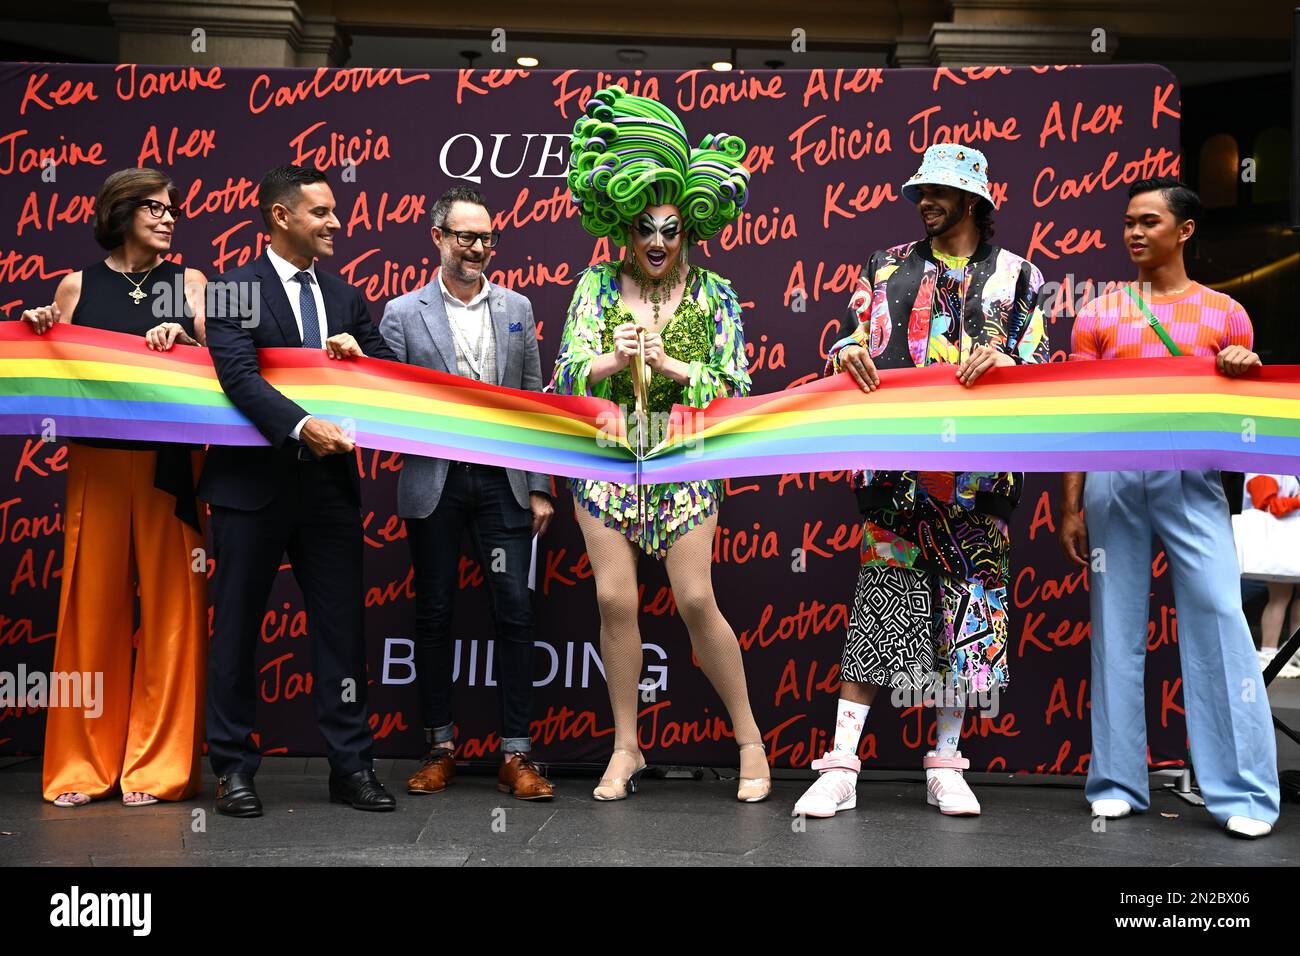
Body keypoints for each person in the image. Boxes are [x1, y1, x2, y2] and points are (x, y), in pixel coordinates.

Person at [793, 143, 1050, 819]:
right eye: (919, 192)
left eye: (936, 191)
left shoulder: (1021, 275)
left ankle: (946, 762)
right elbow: (852, 341)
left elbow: (1045, 362)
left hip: (980, 477)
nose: (922, 201)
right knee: (882, 605)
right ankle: (843, 765)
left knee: (971, 615)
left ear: (974, 199)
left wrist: (1009, 357)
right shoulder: (885, 267)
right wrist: (844, 349)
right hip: (895, 473)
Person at [551, 87, 770, 802]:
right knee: (615, 603)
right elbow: (563, 374)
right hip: (607, 463)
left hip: (684, 460)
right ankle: (626, 747)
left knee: (696, 599)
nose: (656, 240)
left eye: (670, 229)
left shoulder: (717, 295)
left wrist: (676, 368)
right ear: (622, 224)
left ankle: (750, 743)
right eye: (644, 227)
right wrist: (612, 362)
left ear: (690, 230)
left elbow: (736, 384)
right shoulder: (594, 287)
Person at [1059, 177, 1280, 838]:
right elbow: (1078, 417)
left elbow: (1246, 417)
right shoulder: (1098, 313)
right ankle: (1117, 782)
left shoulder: (1226, 314)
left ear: (1184, 230)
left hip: (1194, 478)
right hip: (1115, 478)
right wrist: (1071, 505)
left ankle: (1241, 793)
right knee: (1116, 630)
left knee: (1218, 617)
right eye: (1128, 221)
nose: (1132, 232)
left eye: (1148, 222)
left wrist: (1249, 367)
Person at [199, 164, 398, 817]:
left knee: (341, 634)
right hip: (248, 488)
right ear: (282, 216)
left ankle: (352, 767)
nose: (336, 223)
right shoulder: (232, 289)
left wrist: (360, 362)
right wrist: (302, 426)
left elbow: (386, 384)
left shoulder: (346, 297)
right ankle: (232, 769)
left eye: (335, 212)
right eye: (322, 213)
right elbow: (236, 376)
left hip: (329, 493)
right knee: (235, 632)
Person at [21, 167, 209, 809]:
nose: (168, 218)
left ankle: (157, 770)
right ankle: (80, 765)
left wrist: (183, 339)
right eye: (154, 208)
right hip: (96, 464)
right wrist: (40, 327)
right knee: (89, 609)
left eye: (172, 209)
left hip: (169, 465)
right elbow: (56, 376)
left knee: (173, 614)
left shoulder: (190, 284)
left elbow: (221, 369)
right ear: (120, 212)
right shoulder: (75, 285)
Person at [379, 186, 556, 800]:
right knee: (433, 614)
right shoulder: (402, 314)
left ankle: (516, 753)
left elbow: (533, 400)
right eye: (466, 237)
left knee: (515, 612)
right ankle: (439, 747)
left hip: (503, 482)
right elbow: (389, 401)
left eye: (487, 238)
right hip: (435, 483)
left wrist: (541, 489)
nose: (479, 247)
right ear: (438, 238)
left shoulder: (516, 306)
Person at [1242, 474, 1300, 678]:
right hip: (1277, 540)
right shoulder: (1266, 466)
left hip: (1290, 539)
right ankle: (1268, 653)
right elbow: (1266, 505)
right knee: (1280, 597)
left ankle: (1293, 653)